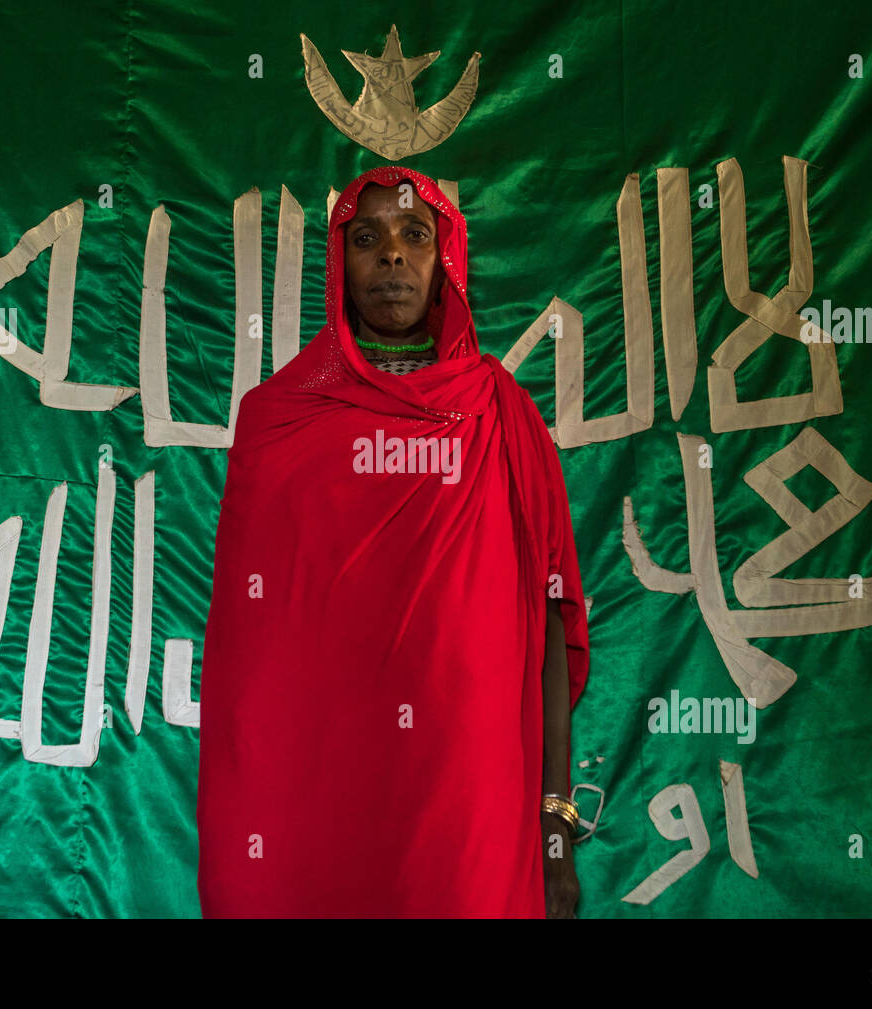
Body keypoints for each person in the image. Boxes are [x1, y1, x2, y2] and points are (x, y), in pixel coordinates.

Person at [196, 165, 590, 917]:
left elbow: (546, 628)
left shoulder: (503, 417)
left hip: (469, 811)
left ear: (448, 265)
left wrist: (554, 826)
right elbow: (249, 662)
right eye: (367, 238)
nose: (392, 257)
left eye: (416, 235)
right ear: (338, 266)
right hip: (310, 808)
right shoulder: (279, 422)